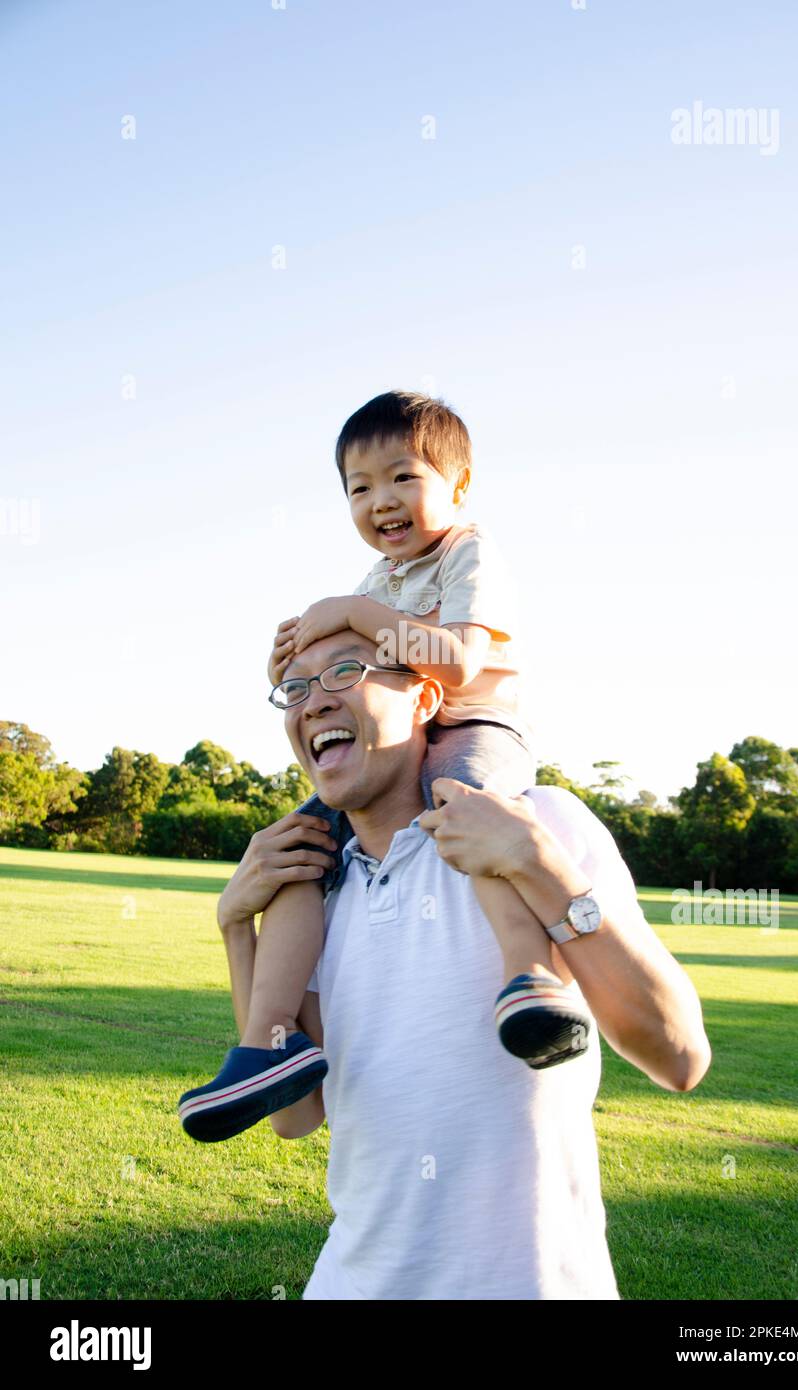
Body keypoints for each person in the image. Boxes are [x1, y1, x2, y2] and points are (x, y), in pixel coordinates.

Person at [200, 627, 712, 1299]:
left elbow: (677, 1058)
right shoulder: (310, 892)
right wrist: (238, 926)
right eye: (294, 687)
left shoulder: (540, 819)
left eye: (343, 672)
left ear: (423, 697)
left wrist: (537, 863)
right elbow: (295, 1117)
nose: (313, 703)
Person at [180, 390, 592, 1143]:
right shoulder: (372, 584)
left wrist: (350, 613)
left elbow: (459, 663)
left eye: (401, 477)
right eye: (358, 488)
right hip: (411, 736)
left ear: (457, 487)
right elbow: (350, 666)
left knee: (463, 806)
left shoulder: (467, 551)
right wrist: (300, 653)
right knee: (300, 849)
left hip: (475, 725)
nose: (381, 501)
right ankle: (265, 1046)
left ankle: (530, 979)